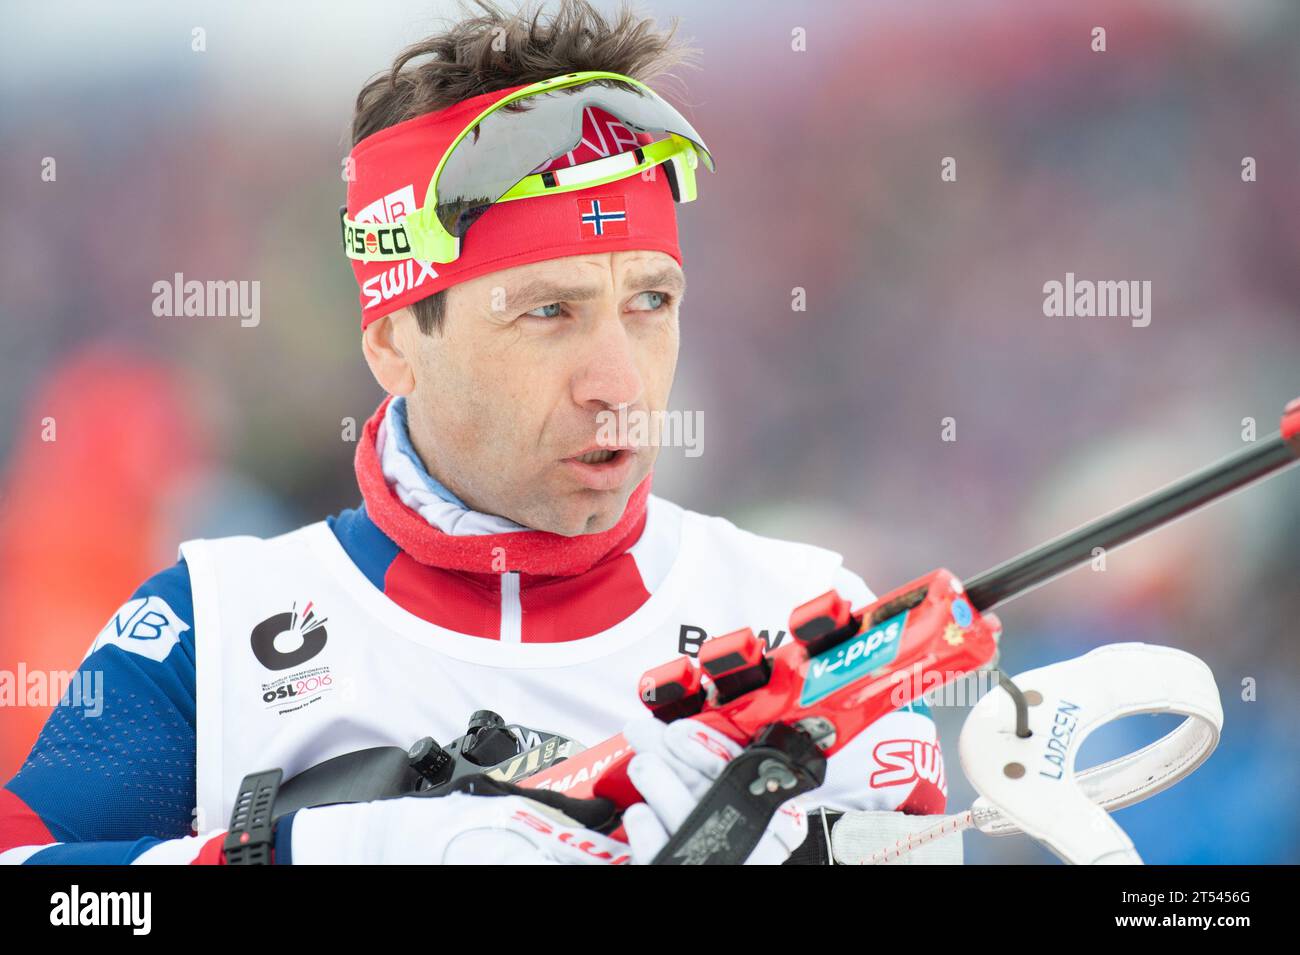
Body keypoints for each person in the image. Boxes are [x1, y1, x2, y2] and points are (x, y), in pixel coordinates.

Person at [0, 0, 945, 865]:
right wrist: (336, 852)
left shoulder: (811, 618)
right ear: (395, 342)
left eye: (650, 301)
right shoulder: (217, 627)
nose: (618, 381)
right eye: (547, 313)